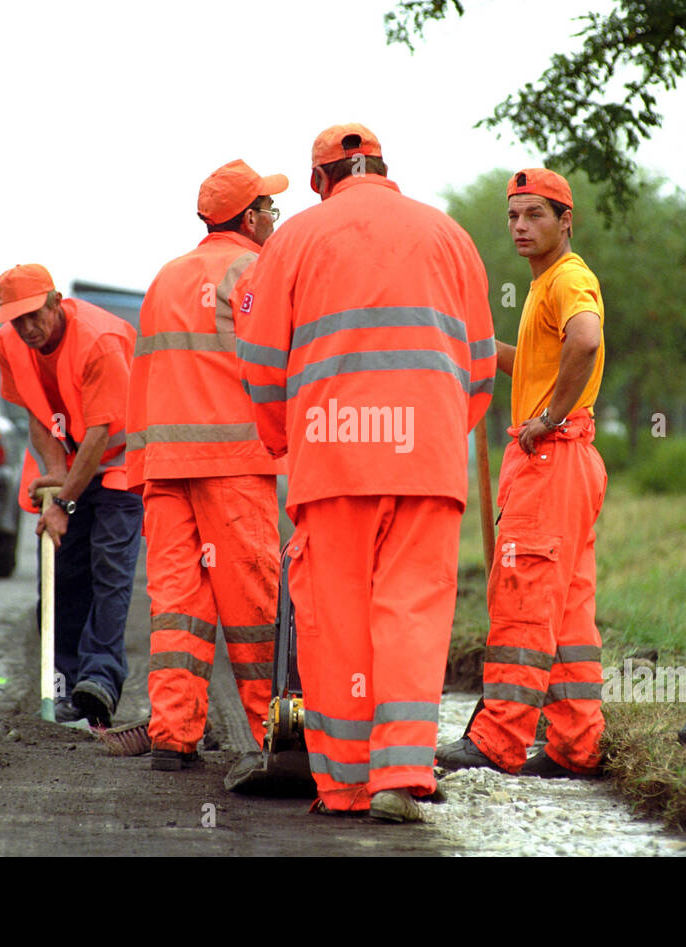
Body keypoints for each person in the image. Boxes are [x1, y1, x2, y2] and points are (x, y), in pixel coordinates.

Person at [236, 124, 496, 822]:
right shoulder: (450, 237)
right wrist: (436, 430)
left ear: (321, 180)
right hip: (429, 463)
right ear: (384, 167)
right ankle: (404, 772)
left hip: (334, 461)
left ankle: (346, 784)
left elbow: (261, 365)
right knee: (414, 611)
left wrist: (284, 437)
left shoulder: (294, 240)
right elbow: (479, 369)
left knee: (337, 622)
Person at [436, 168, 608, 778]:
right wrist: (476, 346)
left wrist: (547, 419)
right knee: (568, 612)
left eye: (534, 215)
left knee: (523, 598)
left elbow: (585, 341)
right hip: (572, 463)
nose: (520, 226)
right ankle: (575, 744)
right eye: (513, 216)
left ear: (566, 221)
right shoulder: (544, 286)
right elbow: (540, 361)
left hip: (552, 458)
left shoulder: (566, 278)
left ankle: (497, 741)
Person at [125, 160, 288, 771]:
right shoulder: (254, 269)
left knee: (177, 606)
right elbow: (271, 362)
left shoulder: (167, 277)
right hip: (233, 463)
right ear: (249, 217)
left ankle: (173, 736)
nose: (275, 217)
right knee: (253, 608)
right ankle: (272, 734)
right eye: (269, 209)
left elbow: (145, 378)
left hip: (165, 467)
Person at [0, 263, 141, 728]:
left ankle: (99, 679)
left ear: (57, 301)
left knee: (109, 572)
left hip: (117, 461)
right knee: (62, 576)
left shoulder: (100, 341)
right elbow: (37, 413)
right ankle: (64, 683)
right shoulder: (8, 345)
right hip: (70, 462)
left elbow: (100, 435)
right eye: (18, 320)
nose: (28, 328)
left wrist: (62, 503)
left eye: (35, 315)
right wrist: (55, 469)